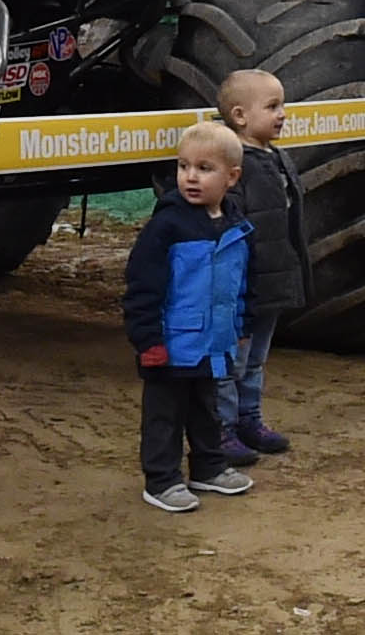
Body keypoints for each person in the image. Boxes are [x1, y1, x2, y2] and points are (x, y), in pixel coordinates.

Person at [122, 120, 259, 512]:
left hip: (213, 344)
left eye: (204, 168)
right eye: (184, 167)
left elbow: (245, 284)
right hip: (169, 345)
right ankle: (162, 480)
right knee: (164, 416)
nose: (190, 177)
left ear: (232, 177)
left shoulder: (238, 227)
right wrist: (147, 340)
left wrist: (242, 327)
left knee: (207, 409)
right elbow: (142, 288)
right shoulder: (166, 227)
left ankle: (208, 468)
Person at [213, 69, 314, 465]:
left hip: (272, 284)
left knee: (254, 361)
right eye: (272, 107)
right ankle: (220, 430)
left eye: (282, 105)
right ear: (240, 116)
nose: (282, 114)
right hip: (240, 288)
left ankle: (249, 421)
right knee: (229, 363)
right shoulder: (233, 166)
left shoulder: (278, 158)